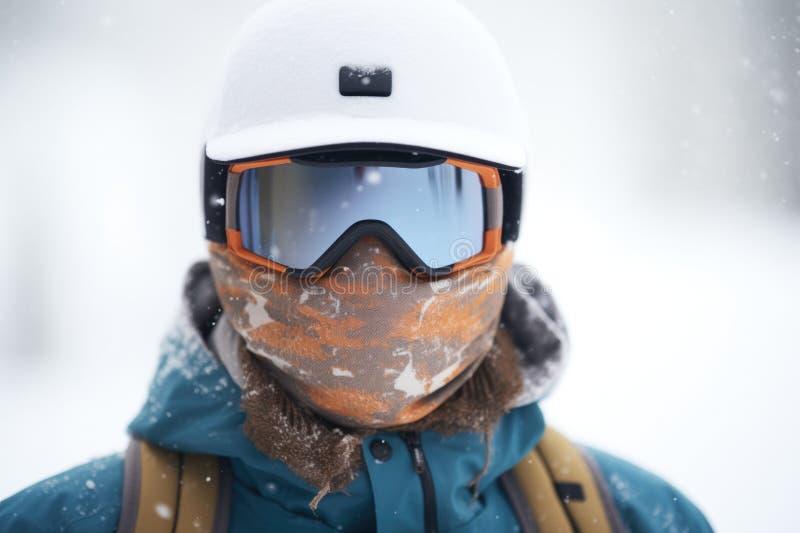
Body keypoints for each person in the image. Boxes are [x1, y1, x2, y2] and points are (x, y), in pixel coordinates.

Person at [0, 1, 713, 531]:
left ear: (505, 230)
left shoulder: (641, 519)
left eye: (432, 210)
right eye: (305, 210)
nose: (370, 269)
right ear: (222, 230)